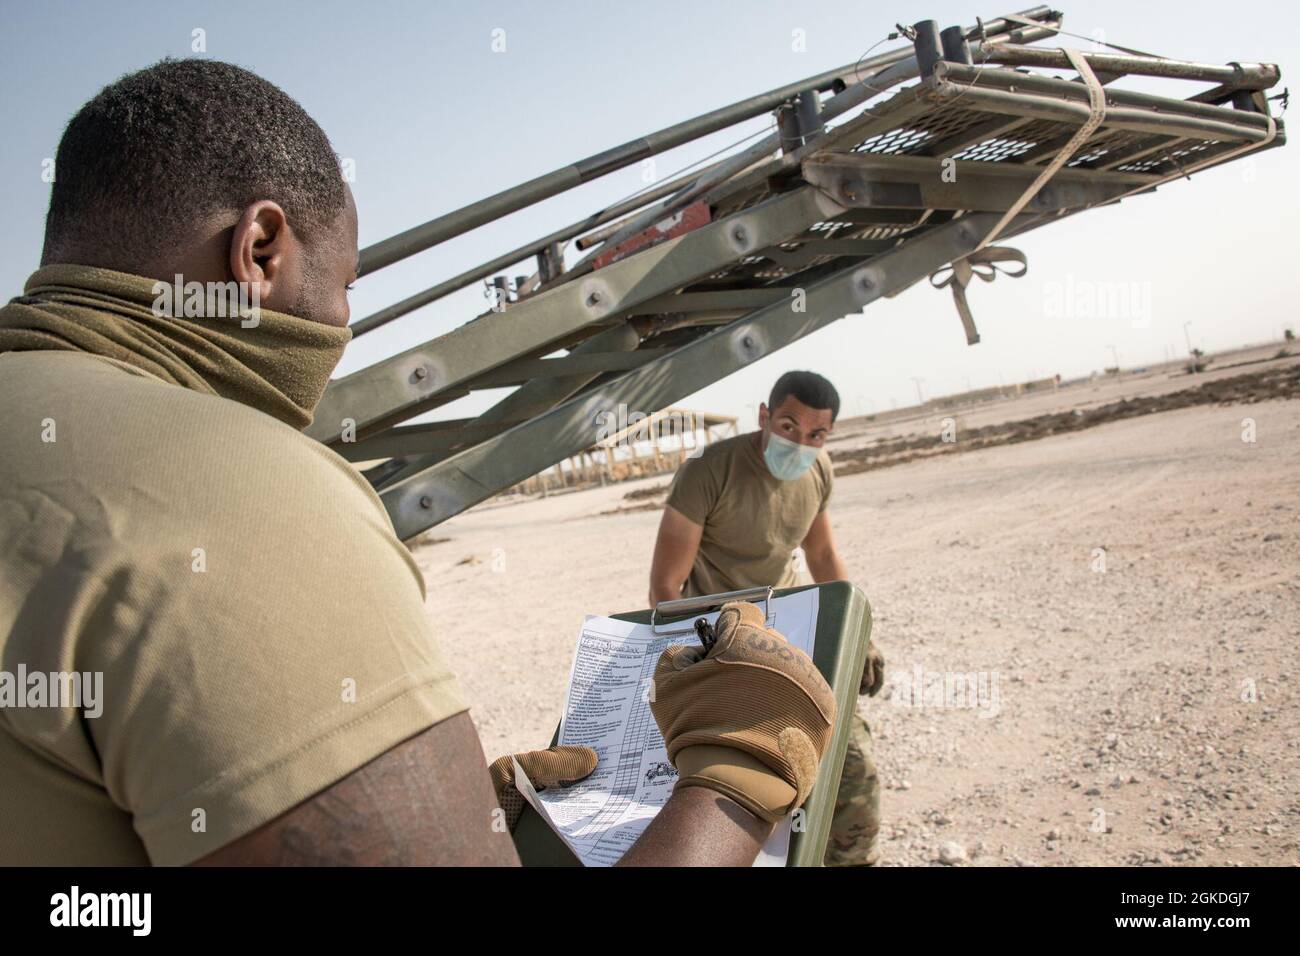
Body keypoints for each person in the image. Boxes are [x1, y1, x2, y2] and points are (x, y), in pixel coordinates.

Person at [0, 59, 834, 867]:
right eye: (348, 286)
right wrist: (738, 777)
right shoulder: (234, 491)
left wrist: (438, 813)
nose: (342, 322)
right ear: (259, 251)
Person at [648, 370, 887, 865]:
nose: (800, 443)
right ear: (764, 416)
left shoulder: (817, 470)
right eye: (788, 426)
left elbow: (822, 557)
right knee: (738, 795)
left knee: (849, 765)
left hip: (792, 633)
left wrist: (859, 634)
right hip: (725, 642)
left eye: (816, 435)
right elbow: (665, 587)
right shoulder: (708, 470)